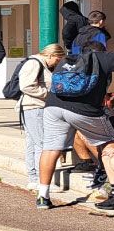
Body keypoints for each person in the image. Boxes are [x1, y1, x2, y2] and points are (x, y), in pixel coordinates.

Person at [37, 45, 114, 210]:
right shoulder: (104, 57)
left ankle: (43, 197)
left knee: (50, 149)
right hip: (83, 109)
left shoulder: (67, 60)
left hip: (54, 107)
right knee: (109, 143)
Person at [15, 44, 66, 191]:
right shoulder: (35, 63)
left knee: (33, 142)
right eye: (57, 59)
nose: (57, 63)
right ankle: (40, 180)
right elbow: (26, 86)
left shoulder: (37, 63)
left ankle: (34, 178)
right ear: (50, 55)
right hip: (34, 107)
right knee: (42, 144)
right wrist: (49, 94)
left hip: (32, 106)